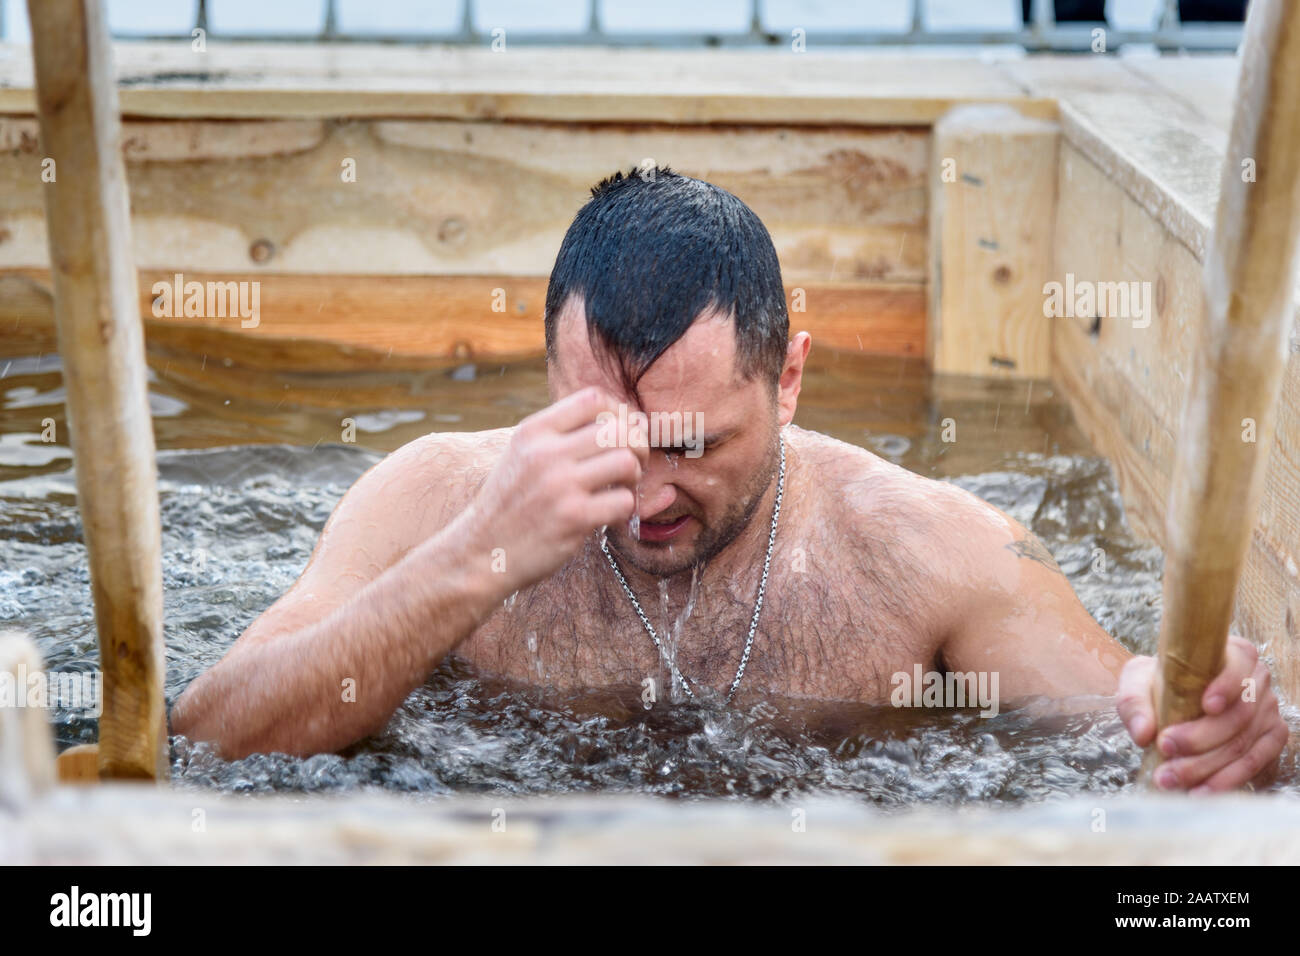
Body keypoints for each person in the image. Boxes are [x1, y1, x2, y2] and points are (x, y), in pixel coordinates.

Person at [172, 166, 1288, 792]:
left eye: (693, 442)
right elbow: (206, 740)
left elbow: (1128, 720)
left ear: (789, 378)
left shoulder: (927, 551)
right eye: (604, 433)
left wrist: (1201, 721)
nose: (648, 490)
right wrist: (471, 560)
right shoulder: (437, 499)